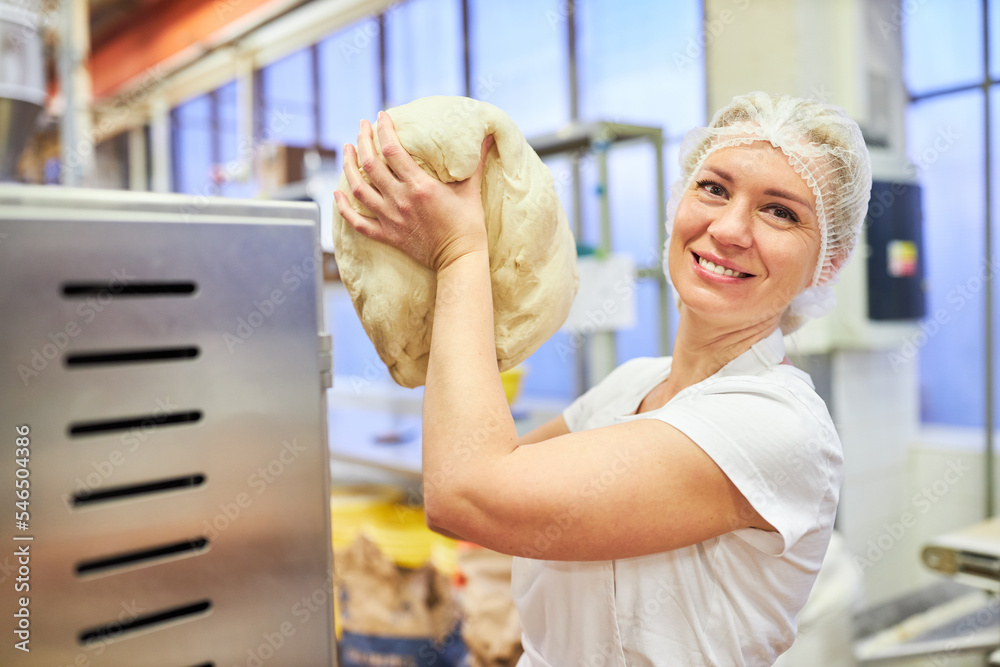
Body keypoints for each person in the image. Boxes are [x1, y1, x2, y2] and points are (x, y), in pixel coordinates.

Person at [334, 91, 872, 666]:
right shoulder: (633, 384)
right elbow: (487, 478)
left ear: (830, 260)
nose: (730, 228)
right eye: (713, 188)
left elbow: (465, 494)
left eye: (780, 211)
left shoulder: (776, 424)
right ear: (678, 202)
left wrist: (459, 251)